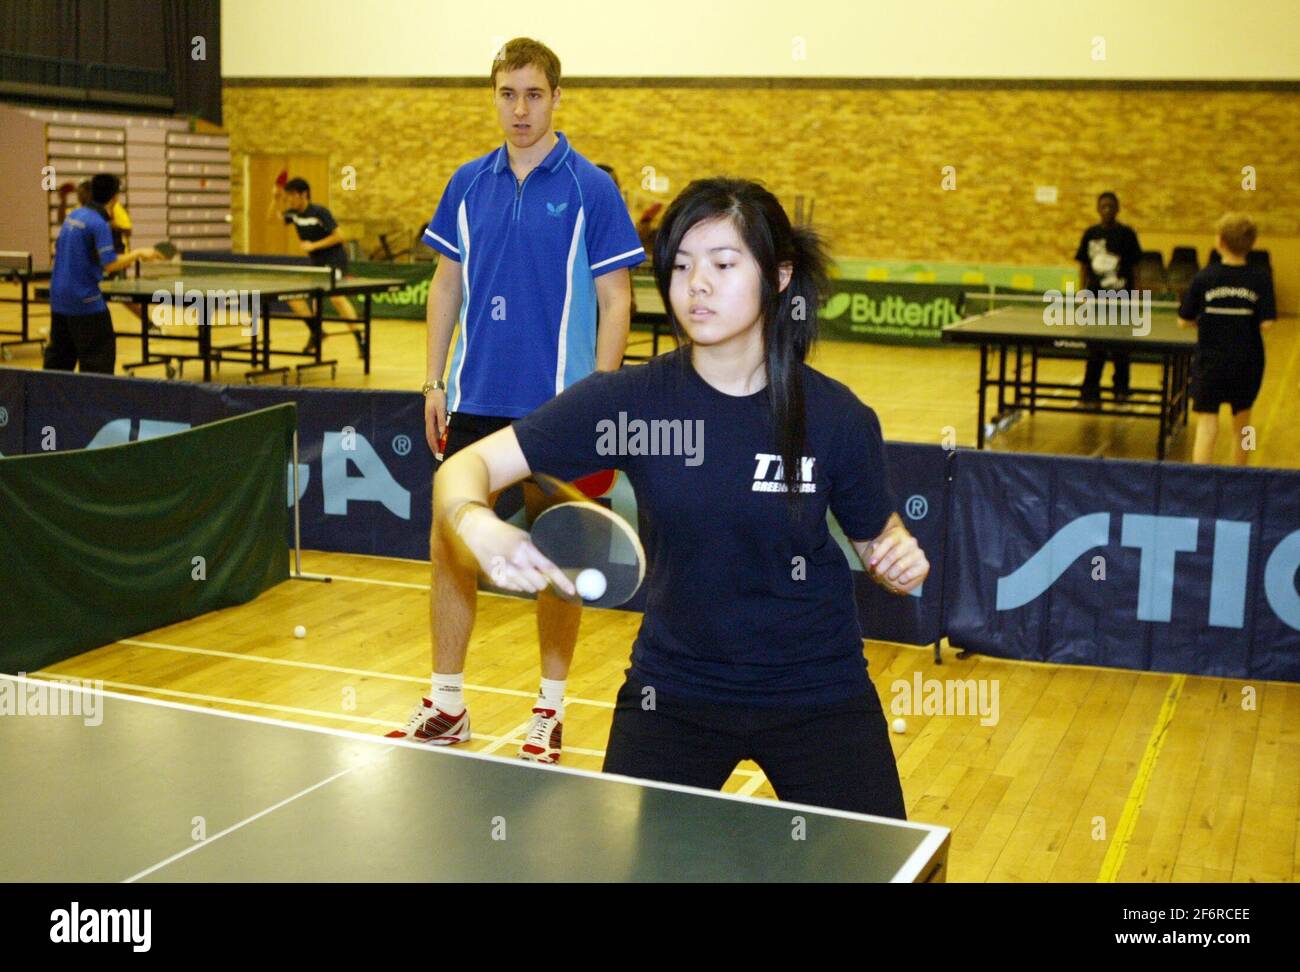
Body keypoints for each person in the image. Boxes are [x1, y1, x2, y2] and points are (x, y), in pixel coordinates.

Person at [431, 177, 928, 815]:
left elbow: (876, 533)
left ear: (777, 278)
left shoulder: (836, 417)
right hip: (675, 691)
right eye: (682, 266)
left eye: (723, 264)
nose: (697, 284)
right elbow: (464, 466)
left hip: (817, 691)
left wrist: (896, 552)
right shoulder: (632, 402)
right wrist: (477, 523)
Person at [387, 38, 644, 763]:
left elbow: (615, 296)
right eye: (508, 93)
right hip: (475, 398)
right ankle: (446, 702)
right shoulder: (468, 182)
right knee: (449, 541)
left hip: (559, 406)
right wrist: (434, 380)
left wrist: (598, 395)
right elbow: (447, 285)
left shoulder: (591, 185)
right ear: (494, 96)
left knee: (559, 549)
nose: (520, 108)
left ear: (557, 97)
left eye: (534, 94)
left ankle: (549, 710)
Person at [1178, 213, 1275, 465]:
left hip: (1211, 361)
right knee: (1244, 423)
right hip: (1248, 361)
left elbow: (1184, 319)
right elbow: (1267, 323)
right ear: (1251, 244)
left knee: (1207, 423)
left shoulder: (1204, 277)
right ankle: (1241, 476)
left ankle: (1200, 479)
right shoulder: (1261, 278)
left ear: (1219, 241)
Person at [45, 173, 161, 374]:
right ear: (115, 197)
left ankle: (49, 404)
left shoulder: (73, 216)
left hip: (58, 299)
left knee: (59, 363)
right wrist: (139, 253)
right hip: (85, 302)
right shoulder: (98, 223)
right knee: (99, 361)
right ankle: (93, 405)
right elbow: (110, 264)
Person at [267, 177, 365, 355]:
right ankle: (316, 332)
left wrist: (313, 246)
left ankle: (360, 338)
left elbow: (340, 236)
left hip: (335, 260)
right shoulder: (294, 214)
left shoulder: (320, 212)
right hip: (316, 264)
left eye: (291, 196)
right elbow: (272, 219)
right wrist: (275, 199)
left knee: (336, 298)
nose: (289, 200)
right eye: (287, 196)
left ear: (303, 195)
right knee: (293, 297)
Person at [1075, 191, 1142, 404]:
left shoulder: (1127, 234)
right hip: (1095, 299)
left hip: (1121, 299)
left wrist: (1137, 295)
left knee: (1122, 349)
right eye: (1103, 206)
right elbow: (1084, 265)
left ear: (1117, 209)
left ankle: (1121, 389)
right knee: (1095, 348)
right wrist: (1082, 292)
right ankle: (1090, 389)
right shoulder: (1090, 234)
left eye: (1111, 206)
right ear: (1098, 208)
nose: (1107, 210)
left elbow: (1135, 267)